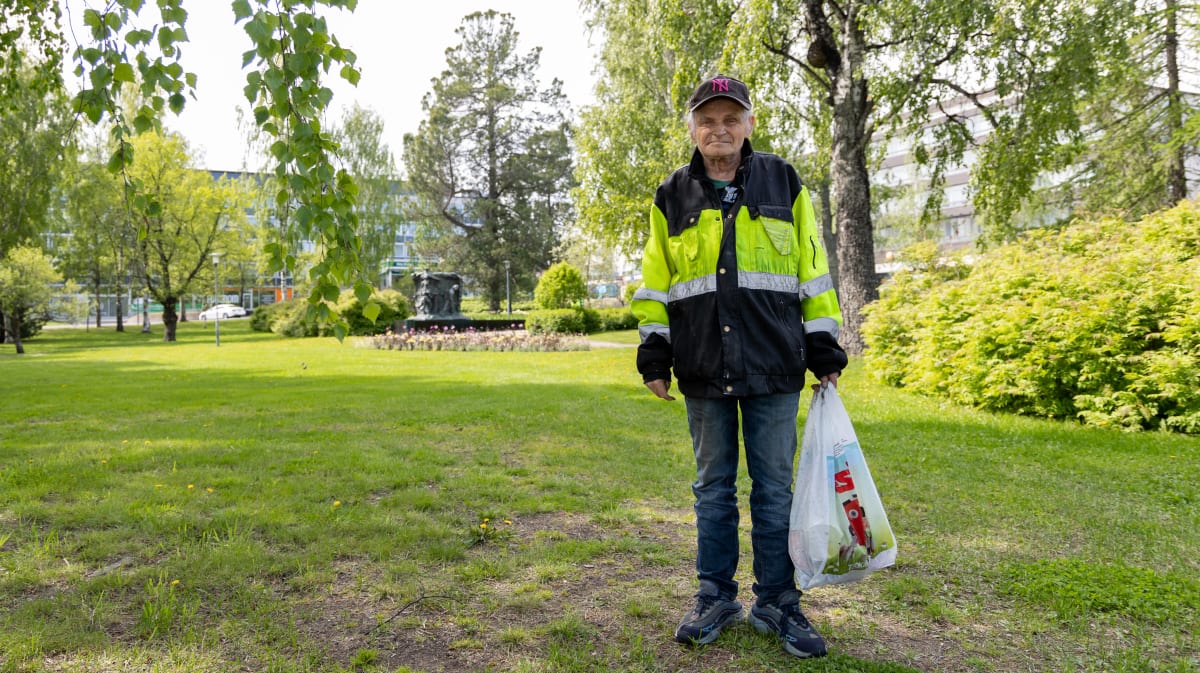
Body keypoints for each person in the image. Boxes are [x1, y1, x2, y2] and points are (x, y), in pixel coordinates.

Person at [631, 74, 847, 659]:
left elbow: (813, 272)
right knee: (712, 489)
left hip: (775, 365)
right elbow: (656, 284)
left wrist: (823, 346)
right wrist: (654, 354)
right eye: (707, 120)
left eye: (731, 119)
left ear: (749, 123)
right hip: (703, 368)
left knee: (775, 491)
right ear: (693, 129)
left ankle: (779, 600)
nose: (719, 130)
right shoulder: (670, 196)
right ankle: (715, 596)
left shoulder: (784, 182)